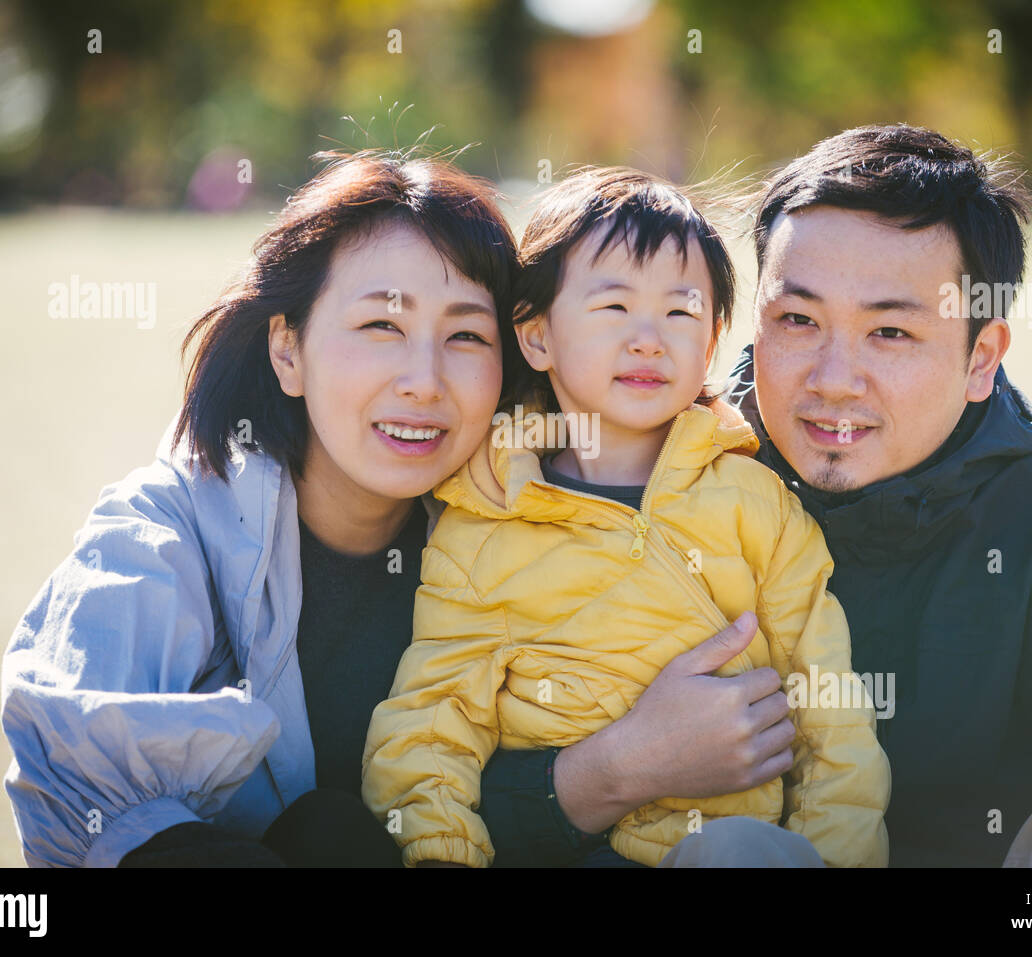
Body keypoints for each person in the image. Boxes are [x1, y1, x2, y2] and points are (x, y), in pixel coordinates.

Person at [0, 148, 527, 866]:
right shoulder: (166, 528)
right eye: (381, 326)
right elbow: (70, 782)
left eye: (467, 334)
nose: (425, 381)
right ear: (288, 349)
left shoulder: (527, 535)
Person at [361, 167, 890, 868]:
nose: (649, 339)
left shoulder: (757, 504)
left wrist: (836, 857)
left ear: (711, 341)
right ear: (536, 335)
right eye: (614, 308)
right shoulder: (485, 520)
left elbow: (832, 718)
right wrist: (441, 851)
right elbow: (428, 730)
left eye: (680, 312)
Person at [719, 124, 1032, 866]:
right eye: (799, 319)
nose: (834, 378)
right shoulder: (665, 501)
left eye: (890, 332)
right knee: (730, 851)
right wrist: (601, 774)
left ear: (982, 357)